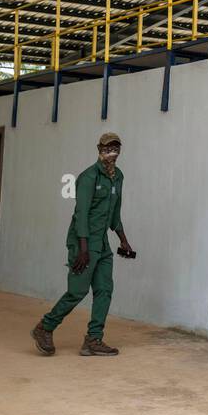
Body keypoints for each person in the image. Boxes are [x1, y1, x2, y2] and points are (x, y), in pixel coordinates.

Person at [31, 132, 136, 357]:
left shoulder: (118, 177)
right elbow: (81, 214)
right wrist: (83, 249)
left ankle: (93, 339)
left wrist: (124, 240)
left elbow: (115, 214)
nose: (112, 151)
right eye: (108, 147)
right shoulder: (88, 177)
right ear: (99, 149)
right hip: (83, 242)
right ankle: (44, 327)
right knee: (77, 291)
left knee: (104, 290)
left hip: (103, 245)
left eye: (116, 147)